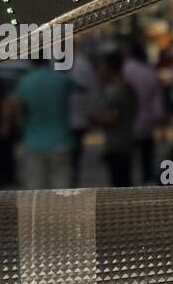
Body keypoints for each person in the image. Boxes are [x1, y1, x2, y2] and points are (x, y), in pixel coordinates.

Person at [14, 58, 76, 189]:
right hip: (61, 140)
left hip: (33, 142)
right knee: (62, 189)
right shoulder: (61, 79)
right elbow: (82, 90)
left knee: (36, 190)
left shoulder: (25, 82)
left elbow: (19, 113)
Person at [122, 42, 165, 183]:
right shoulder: (149, 72)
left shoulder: (125, 71)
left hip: (127, 122)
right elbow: (157, 101)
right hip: (147, 121)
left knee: (127, 161)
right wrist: (160, 120)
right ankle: (146, 184)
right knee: (146, 158)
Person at [94, 51, 136, 187]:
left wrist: (94, 118)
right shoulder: (123, 88)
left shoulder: (118, 91)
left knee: (120, 184)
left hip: (118, 145)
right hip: (123, 143)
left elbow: (113, 118)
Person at [66, 42, 98, 187]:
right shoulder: (55, 64)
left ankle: (72, 183)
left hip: (77, 119)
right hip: (68, 120)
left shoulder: (82, 65)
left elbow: (91, 91)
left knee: (73, 157)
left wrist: (91, 113)